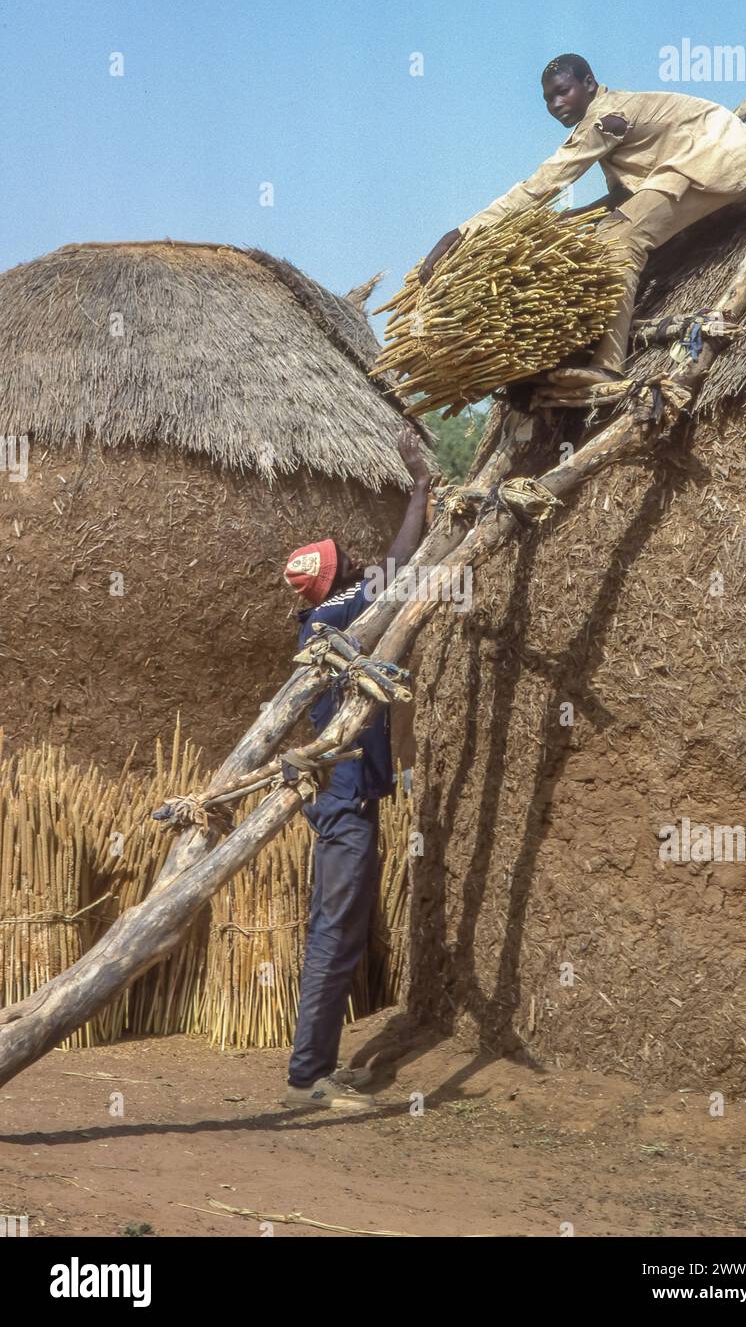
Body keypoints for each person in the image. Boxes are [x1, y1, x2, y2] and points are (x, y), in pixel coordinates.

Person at [419, 53, 746, 391]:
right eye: (547, 99)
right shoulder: (612, 116)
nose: (555, 104)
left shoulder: (604, 119)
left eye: (563, 91)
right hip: (708, 158)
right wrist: (568, 221)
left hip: (717, 157)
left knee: (620, 239)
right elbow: (623, 197)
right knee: (611, 225)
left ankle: (606, 365)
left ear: (589, 83)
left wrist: (464, 231)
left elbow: (542, 186)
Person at [281, 424, 431, 1111]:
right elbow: (400, 560)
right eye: (349, 562)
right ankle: (309, 1078)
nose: (359, 562)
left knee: (337, 926)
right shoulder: (342, 612)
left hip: (342, 794)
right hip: (342, 798)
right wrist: (421, 486)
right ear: (337, 580)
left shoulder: (321, 623)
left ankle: (320, 1066)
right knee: (335, 929)